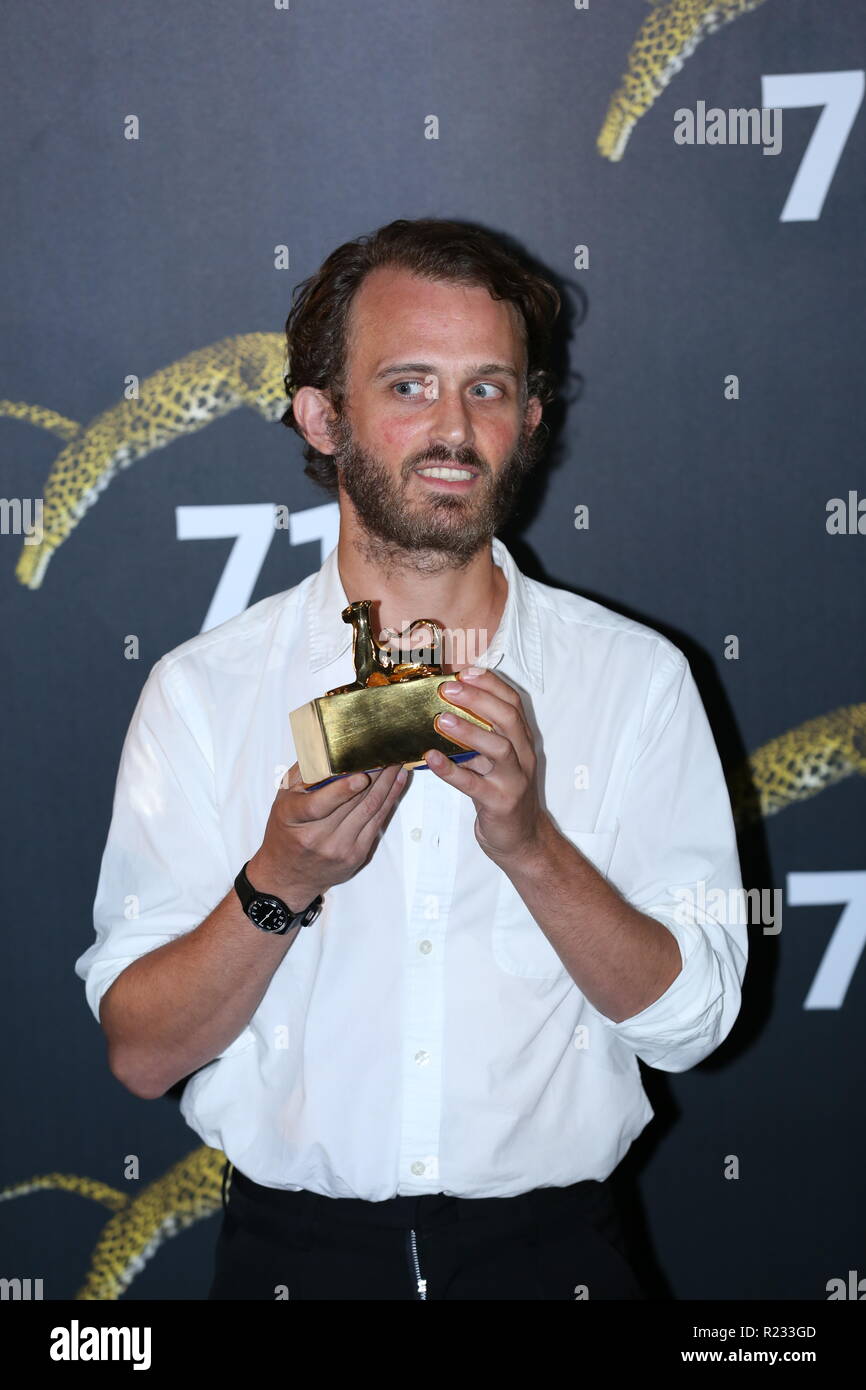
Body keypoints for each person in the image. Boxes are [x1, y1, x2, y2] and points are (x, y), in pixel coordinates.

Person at [74, 217, 748, 1301]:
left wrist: (532, 850)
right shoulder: (205, 691)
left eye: (487, 388)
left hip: (558, 1263)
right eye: (407, 385)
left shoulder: (634, 679)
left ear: (529, 419)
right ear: (322, 414)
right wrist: (280, 882)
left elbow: (692, 1025)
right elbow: (141, 1053)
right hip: (292, 1265)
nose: (452, 427)